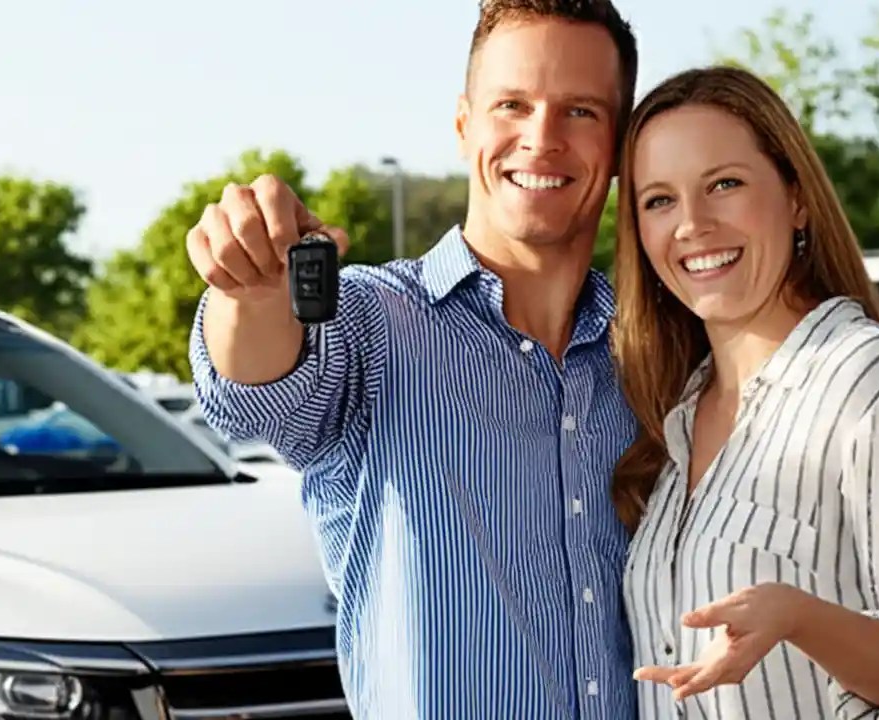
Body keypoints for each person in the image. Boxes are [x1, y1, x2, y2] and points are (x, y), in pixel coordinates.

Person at [185, 1, 639, 717]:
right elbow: (256, 391)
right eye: (511, 105)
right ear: (464, 125)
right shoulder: (371, 320)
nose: (541, 138)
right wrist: (251, 290)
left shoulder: (650, 355)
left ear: (619, 147)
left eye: (580, 111)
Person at [610, 65, 879, 719]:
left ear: (797, 198)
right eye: (659, 200)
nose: (691, 224)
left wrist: (799, 617)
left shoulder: (867, 379)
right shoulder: (675, 414)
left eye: (723, 184)